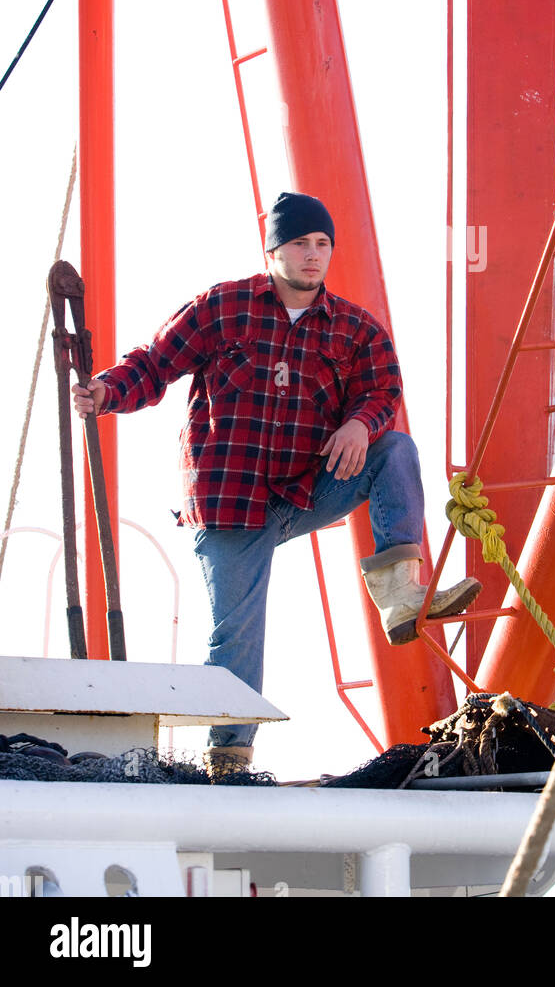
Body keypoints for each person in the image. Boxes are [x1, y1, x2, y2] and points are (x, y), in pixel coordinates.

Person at [72, 191, 481, 775]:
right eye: (300, 244)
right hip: (230, 504)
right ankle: (229, 760)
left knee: (395, 447)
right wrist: (108, 391)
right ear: (273, 249)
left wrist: (361, 426)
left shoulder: (355, 329)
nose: (313, 256)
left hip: (306, 489)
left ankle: (399, 593)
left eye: (322, 245)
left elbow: (384, 391)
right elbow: (155, 362)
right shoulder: (223, 307)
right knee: (234, 635)